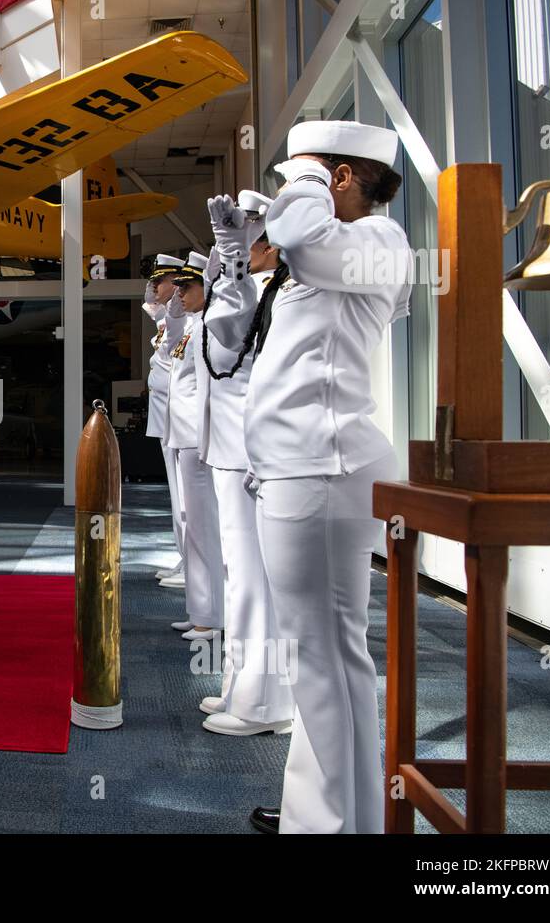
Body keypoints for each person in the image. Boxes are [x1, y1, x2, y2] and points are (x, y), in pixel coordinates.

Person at [236, 120, 410, 834]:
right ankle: (323, 812)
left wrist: (300, 181)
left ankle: (343, 825)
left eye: (306, 175)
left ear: (341, 177)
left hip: (324, 464)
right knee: (324, 657)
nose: (290, 193)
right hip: (304, 463)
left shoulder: (375, 240)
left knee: (328, 656)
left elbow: (303, 239)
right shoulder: (350, 248)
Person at [195, 220, 296, 739]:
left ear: (270, 246)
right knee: (241, 577)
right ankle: (244, 686)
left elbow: (232, 352)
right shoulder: (255, 287)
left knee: (254, 580)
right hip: (231, 449)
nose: (232, 251)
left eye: (246, 242)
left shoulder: (267, 291)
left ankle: (264, 703)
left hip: (248, 451)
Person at [164, 252, 225, 644]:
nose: (180, 293)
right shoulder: (193, 324)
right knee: (194, 528)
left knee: (205, 530)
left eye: (188, 287)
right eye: (179, 287)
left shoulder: (211, 326)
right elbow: (169, 344)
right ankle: (201, 610)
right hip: (185, 436)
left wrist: (206, 438)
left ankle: (211, 615)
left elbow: (208, 388)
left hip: (199, 438)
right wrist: (172, 309)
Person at [142, 255, 187, 593]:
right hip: (168, 418)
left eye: (161, 281)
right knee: (178, 498)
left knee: (188, 498)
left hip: (183, 419)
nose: (154, 287)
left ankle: (194, 562)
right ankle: (187, 556)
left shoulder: (185, 320)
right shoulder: (168, 320)